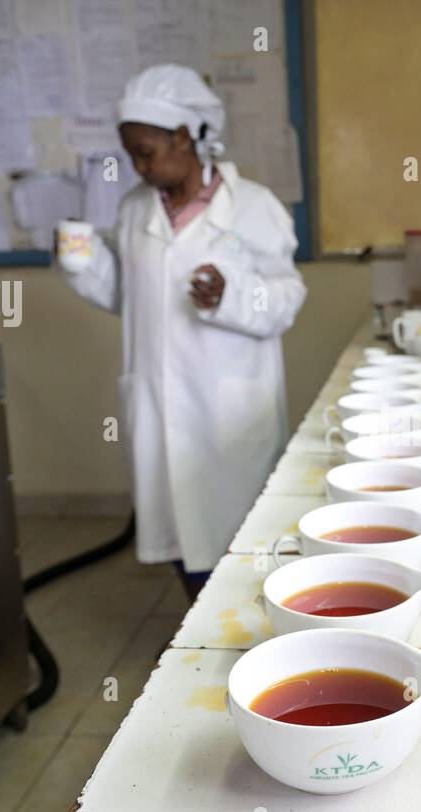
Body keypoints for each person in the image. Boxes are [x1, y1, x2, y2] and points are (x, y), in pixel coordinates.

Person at [60, 64, 306, 599]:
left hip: (228, 406)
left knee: (240, 532)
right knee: (178, 531)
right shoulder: (132, 211)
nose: (138, 166)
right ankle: (202, 630)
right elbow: (131, 301)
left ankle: (245, 636)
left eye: (146, 151)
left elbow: (286, 298)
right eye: (131, 154)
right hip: (156, 400)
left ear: (183, 137)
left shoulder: (253, 206)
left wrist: (232, 297)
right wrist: (83, 264)